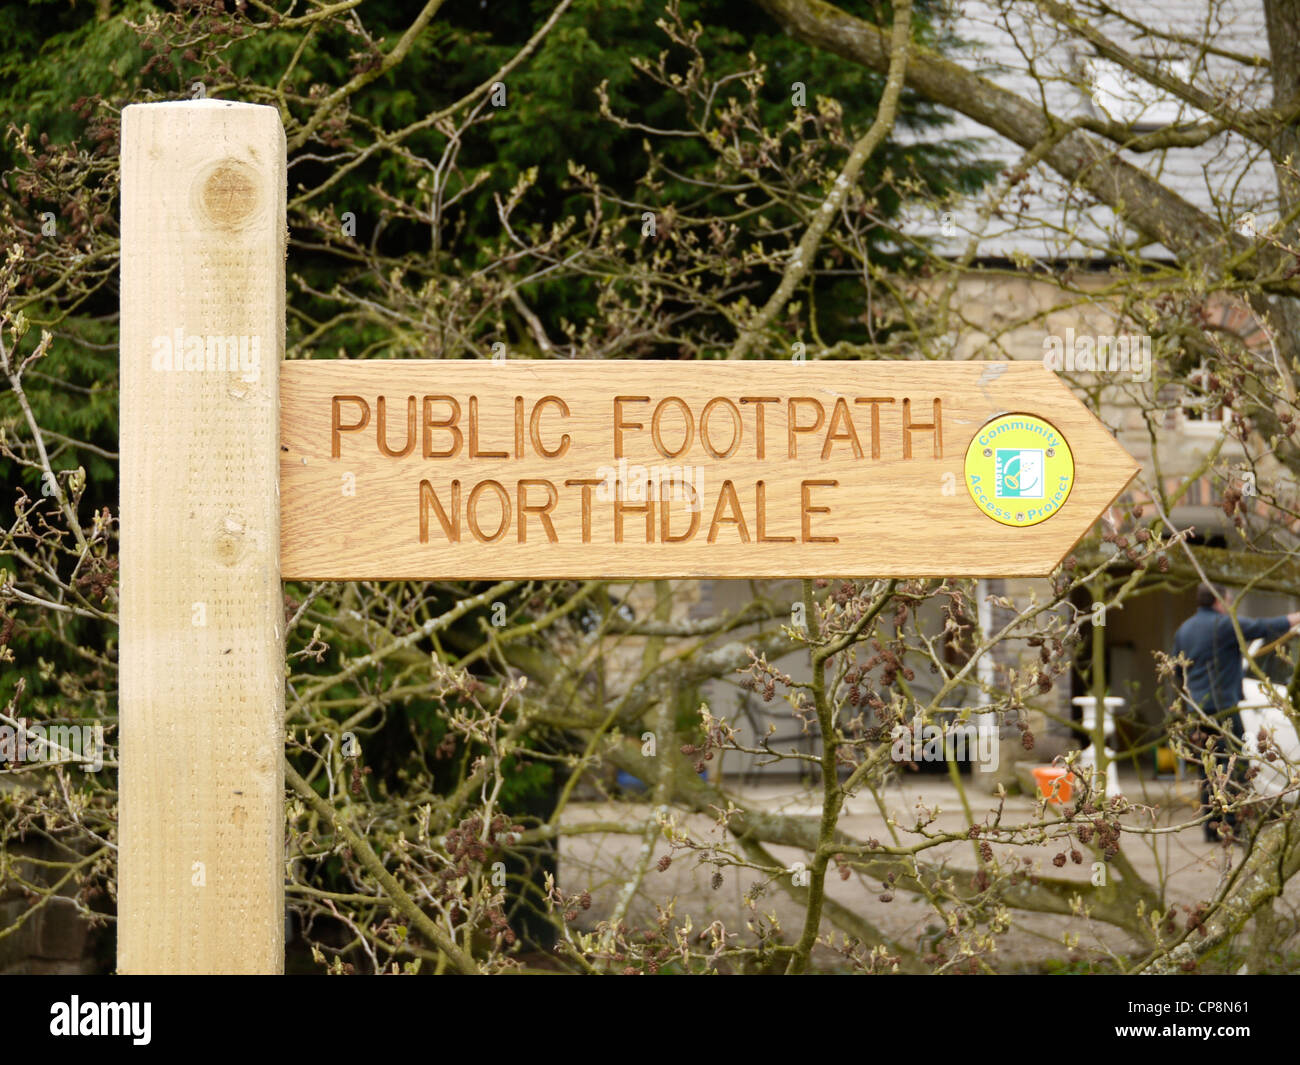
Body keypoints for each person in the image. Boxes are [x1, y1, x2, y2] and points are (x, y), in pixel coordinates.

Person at [1171, 584, 1300, 842]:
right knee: (1234, 765)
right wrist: (1296, 617)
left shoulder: (1184, 629)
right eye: (1230, 600)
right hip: (1222, 708)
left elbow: (1177, 671)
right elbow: (1264, 627)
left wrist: (1183, 708)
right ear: (1220, 601)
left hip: (1197, 710)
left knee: (1208, 770)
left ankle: (1211, 828)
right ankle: (1232, 825)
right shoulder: (1224, 625)